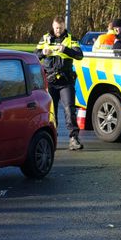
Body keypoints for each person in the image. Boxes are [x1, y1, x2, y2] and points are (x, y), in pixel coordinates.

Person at [37, 16, 84, 150]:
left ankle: (73, 138)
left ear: (64, 27)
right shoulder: (45, 38)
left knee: (70, 108)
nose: (58, 30)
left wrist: (66, 50)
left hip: (65, 80)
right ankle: (52, 138)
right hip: (50, 80)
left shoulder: (71, 39)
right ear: (53, 26)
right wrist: (43, 52)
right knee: (51, 111)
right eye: (56, 28)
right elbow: (35, 54)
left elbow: (79, 55)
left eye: (61, 28)